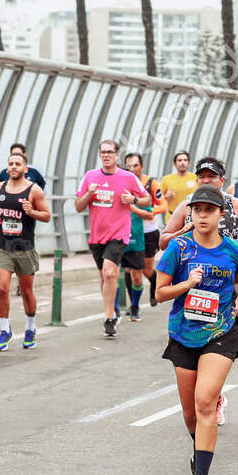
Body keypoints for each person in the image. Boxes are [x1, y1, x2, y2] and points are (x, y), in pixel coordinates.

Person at [155, 184, 238, 475]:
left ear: (220, 214)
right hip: (183, 334)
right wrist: (188, 284)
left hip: (221, 332)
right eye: (197, 210)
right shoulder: (178, 249)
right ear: (190, 214)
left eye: (208, 210)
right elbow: (160, 293)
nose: (202, 216)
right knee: (190, 413)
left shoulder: (233, 249)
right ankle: (201, 448)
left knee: (205, 400)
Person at [74, 139, 148, 339]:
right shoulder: (90, 176)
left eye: (110, 152)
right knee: (104, 276)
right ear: (100, 155)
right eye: (103, 152)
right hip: (97, 235)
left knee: (109, 272)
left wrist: (133, 200)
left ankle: (108, 317)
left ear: (117, 155)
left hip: (119, 234)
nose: (106, 155)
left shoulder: (128, 177)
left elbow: (147, 198)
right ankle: (112, 309)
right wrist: (89, 193)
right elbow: (78, 206)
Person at [0, 150, 50, 349]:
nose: (13, 167)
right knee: (1, 288)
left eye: (17, 164)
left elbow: (46, 215)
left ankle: (30, 327)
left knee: (26, 291)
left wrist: (32, 212)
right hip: (2, 246)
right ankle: (5, 330)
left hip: (24, 247)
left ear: (25, 168)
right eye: (11, 163)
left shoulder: (34, 191)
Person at [117, 152, 159, 321]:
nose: (132, 169)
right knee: (113, 273)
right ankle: (115, 311)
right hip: (118, 238)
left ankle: (139, 301)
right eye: (128, 166)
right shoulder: (113, 188)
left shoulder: (144, 187)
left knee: (141, 272)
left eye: (135, 165)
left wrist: (133, 206)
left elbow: (151, 212)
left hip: (141, 237)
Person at [159, 151, 199, 217]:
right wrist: (166, 196)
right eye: (179, 160)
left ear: (188, 163)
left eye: (185, 160)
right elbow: (157, 199)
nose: (182, 162)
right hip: (171, 218)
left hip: (192, 218)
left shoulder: (196, 178)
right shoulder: (167, 179)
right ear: (175, 164)